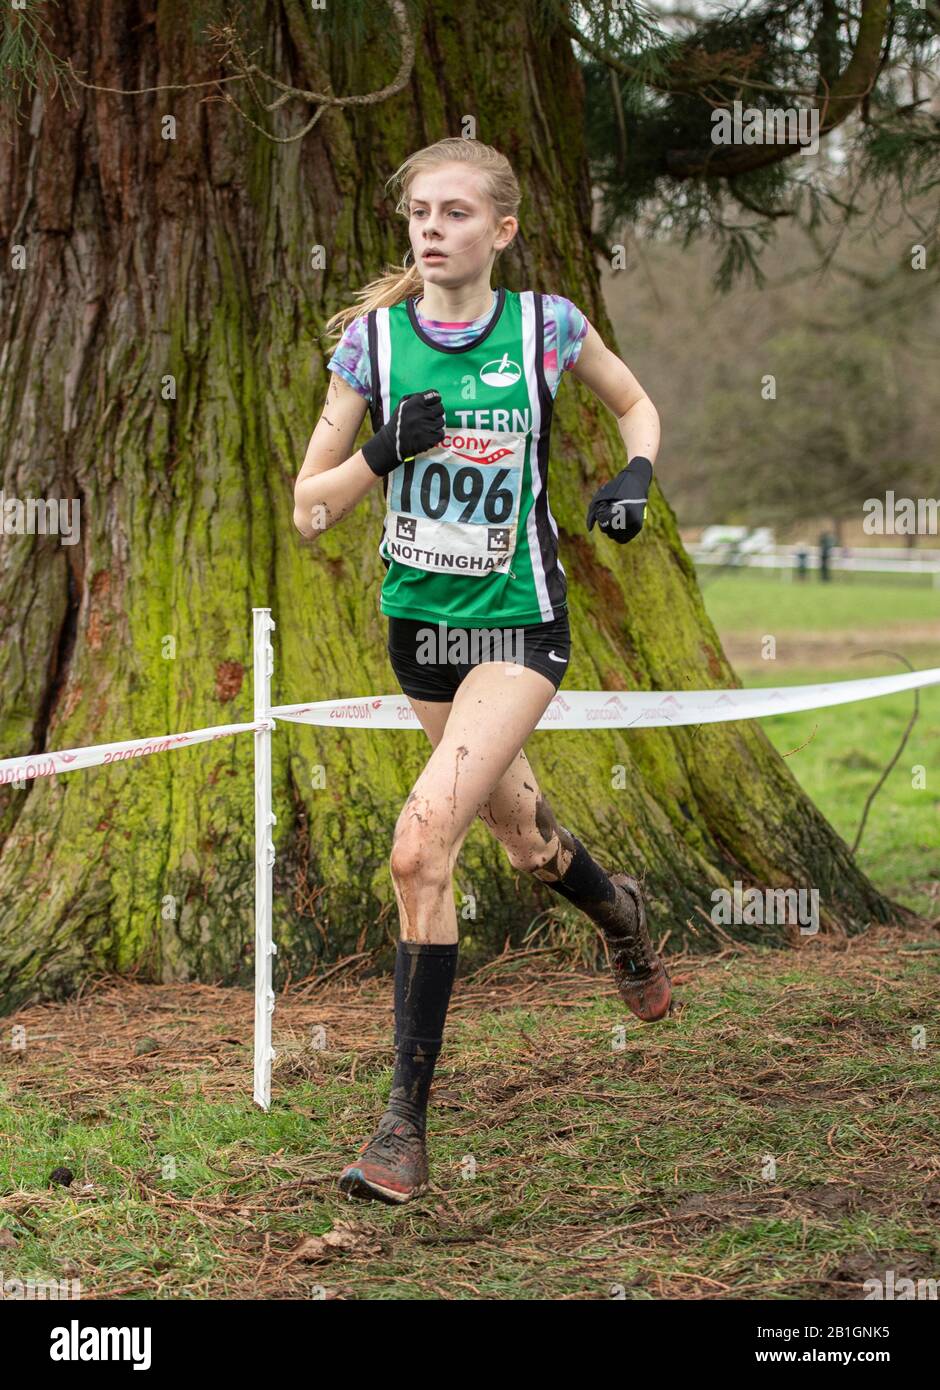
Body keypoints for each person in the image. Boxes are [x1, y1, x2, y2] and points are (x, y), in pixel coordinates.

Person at [293, 137, 670, 1205]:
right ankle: (619, 913)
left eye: (455, 212)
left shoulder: (544, 326)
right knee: (517, 836)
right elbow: (307, 507)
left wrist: (636, 473)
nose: (429, 228)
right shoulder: (372, 346)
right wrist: (380, 453)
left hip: (516, 628)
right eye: (418, 211)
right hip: (419, 634)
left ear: (500, 229)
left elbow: (634, 403)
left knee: (421, 846)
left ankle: (400, 1128)